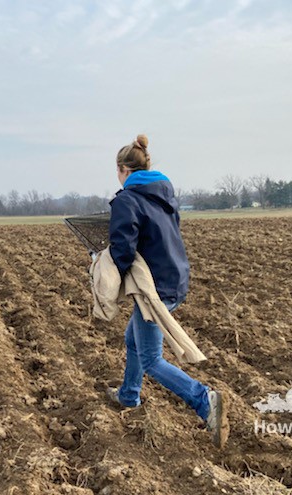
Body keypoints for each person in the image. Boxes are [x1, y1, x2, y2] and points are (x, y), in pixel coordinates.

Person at [105, 134, 224, 447]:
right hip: (175, 278)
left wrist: (101, 264)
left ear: (122, 170)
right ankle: (129, 396)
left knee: (151, 359)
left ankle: (204, 399)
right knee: (133, 338)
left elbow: (123, 250)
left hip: (154, 290)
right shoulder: (164, 195)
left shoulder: (127, 200)